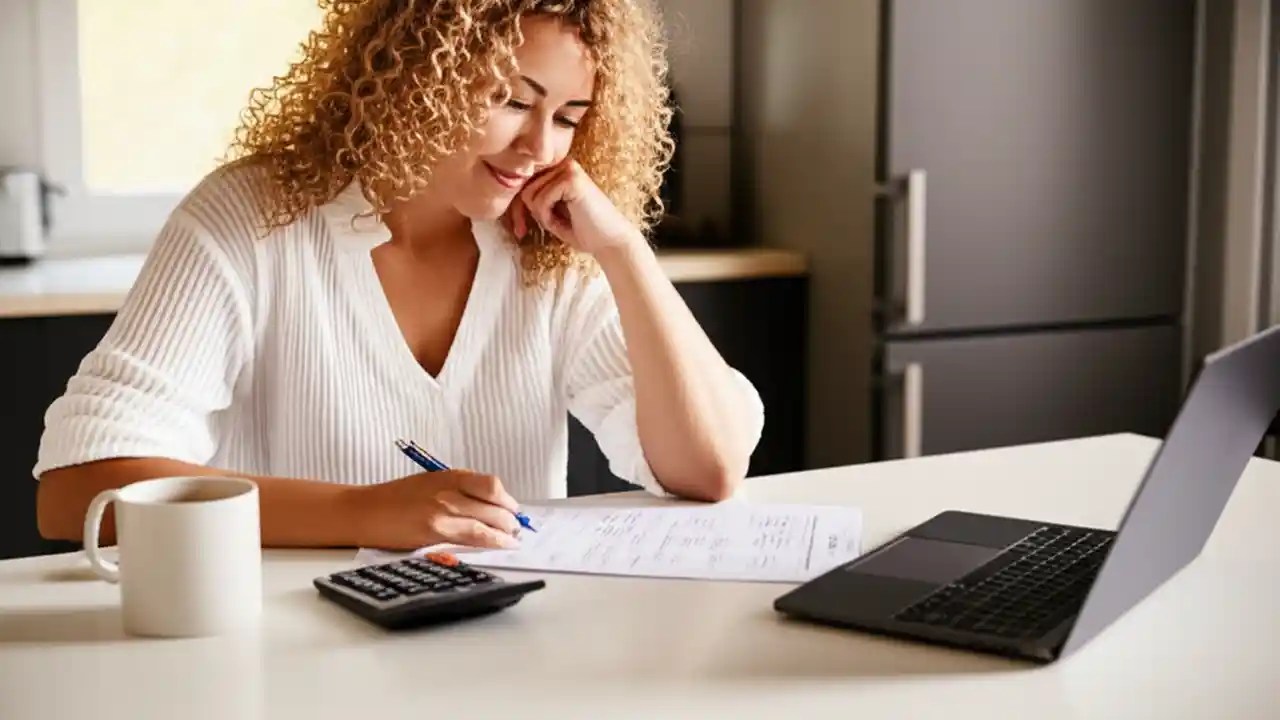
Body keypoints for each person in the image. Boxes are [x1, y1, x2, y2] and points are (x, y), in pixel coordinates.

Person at [33, 0, 764, 552]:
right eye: (510, 100)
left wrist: (624, 251)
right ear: (418, 77)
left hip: (504, 652)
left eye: (570, 116)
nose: (540, 147)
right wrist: (362, 512)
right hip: (286, 659)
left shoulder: (553, 248)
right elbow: (76, 491)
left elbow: (709, 470)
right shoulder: (251, 218)